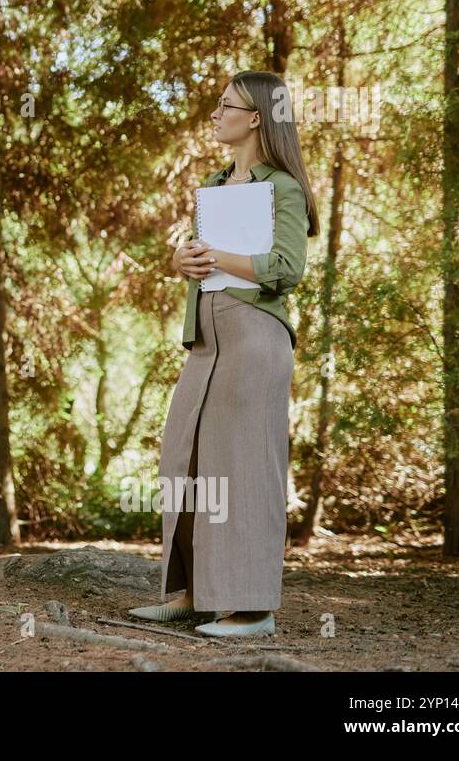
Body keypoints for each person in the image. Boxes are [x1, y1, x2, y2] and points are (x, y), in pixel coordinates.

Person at [128, 70, 319, 637]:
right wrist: (183, 260)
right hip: (206, 340)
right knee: (185, 461)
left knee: (245, 468)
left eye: (225, 105)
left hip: (255, 337)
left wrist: (215, 255)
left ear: (256, 117)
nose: (214, 114)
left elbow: (287, 268)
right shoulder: (213, 184)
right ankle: (197, 596)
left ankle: (253, 609)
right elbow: (202, 262)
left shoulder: (283, 187)